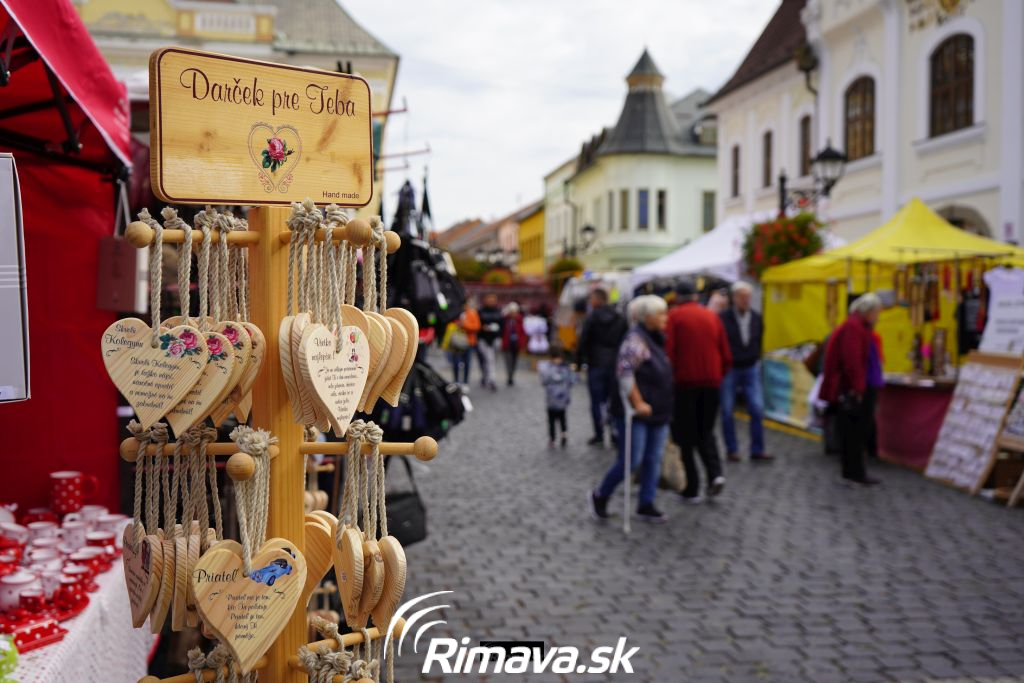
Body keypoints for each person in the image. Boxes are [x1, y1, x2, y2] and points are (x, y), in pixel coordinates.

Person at [591, 295, 673, 523]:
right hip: (636, 412)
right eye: (661, 314)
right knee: (631, 460)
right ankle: (601, 494)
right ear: (647, 317)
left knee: (653, 458)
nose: (665, 318)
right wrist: (637, 403)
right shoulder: (635, 340)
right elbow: (625, 374)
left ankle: (646, 502)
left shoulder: (655, 338)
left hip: (658, 409)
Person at [666, 279, 732, 503]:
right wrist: (718, 374)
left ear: (678, 296)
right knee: (706, 431)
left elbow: (669, 352)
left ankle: (691, 487)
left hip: (685, 383)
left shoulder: (675, 317)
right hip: (711, 382)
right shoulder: (712, 317)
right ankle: (715, 474)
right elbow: (726, 353)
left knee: (684, 435)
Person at [820, 293, 884, 486]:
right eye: (876, 312)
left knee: (854, 431)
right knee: (855, 431)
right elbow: (852, 361)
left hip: (855, 386)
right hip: (854, 389)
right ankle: (854, 471)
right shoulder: (855, 328)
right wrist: (858, 388)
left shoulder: (856, 326)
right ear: (868, 311)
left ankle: (853, 470)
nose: (878, 317)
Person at [719, 281, 770, 462]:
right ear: (734, 298)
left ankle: (757, 448)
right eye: (742, 297)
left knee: (756, 408)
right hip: (730, 368)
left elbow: (759, 339)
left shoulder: (756, 317)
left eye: (748, 297)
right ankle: (732, 449)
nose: (745, 300)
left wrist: (755, 357)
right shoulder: (723, 318)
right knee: (727, 410)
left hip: (750, 366)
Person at [576, 288, 628, 446]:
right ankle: (615, 432)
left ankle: (599, 433)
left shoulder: (591, 318)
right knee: (614, 399)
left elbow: (583, 341)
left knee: (596, 401)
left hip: (596, 363)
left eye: (591, 299)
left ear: (597, 300)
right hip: (614, 363)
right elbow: (625, 341)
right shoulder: (620, 317)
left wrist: (578, 362)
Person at [539, 345, 576, 448]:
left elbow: (544, 381)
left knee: (552, 420)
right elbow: (572, 381)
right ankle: (563, 434)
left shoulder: (547, 368)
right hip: (562, 400)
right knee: (562, 418)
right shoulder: (566, 368)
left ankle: (552, 439)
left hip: (551, 400)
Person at [445, 301, 479, 390]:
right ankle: (456, 381)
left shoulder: (472, 313)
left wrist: (464, 325)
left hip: (468, 342)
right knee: (455, 362)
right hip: (456, 341)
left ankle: (465, 382)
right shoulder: (455, 313)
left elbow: (476, 326)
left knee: (467, 362)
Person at [476, 294, 503, 391]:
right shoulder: (480, 311)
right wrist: (483, 328)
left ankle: (488, 377)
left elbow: (502, 325)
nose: (491, 302)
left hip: (495, 338)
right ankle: (491, 379)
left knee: (491, 360)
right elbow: (477, 325)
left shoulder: (498, 311)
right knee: (488, 359)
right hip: (484, 339)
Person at [501, 302, 527, 386]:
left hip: (516, 344)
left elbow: (523, 332)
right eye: (511, 311)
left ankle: (511, 375)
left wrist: (522, 344)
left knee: (514, 361)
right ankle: (509, 376)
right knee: (508, 361)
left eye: (514, 312)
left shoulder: (520, 320)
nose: (513, 314)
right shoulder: (505, 320)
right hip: (507, 344)